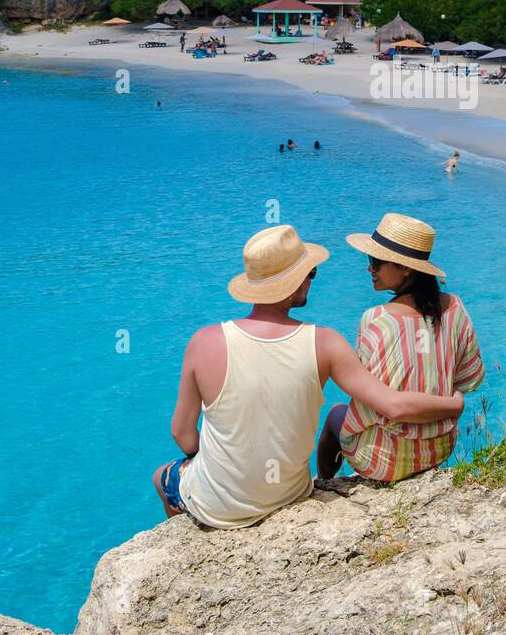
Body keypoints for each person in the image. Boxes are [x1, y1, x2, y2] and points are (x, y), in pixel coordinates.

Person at [152, 225, 464, 528]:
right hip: (289, 494)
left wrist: (220, 463)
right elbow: (393, 405)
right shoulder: (326, 344)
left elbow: (183, 435)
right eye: (311, 274)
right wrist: (453, 406)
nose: (312, 281)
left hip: (217, 504)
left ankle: (189, 536)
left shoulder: (203, 341)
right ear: (297, 281)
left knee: (161, 476)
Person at [317, 213, 483, 483]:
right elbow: (468, 380)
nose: (370, 269)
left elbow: (368, 393)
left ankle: (324, 482)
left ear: (406, 268)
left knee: (336, 414)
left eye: (376, 262)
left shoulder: (377, 319)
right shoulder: (454, 307)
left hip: (385, 460)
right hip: (438, 448)